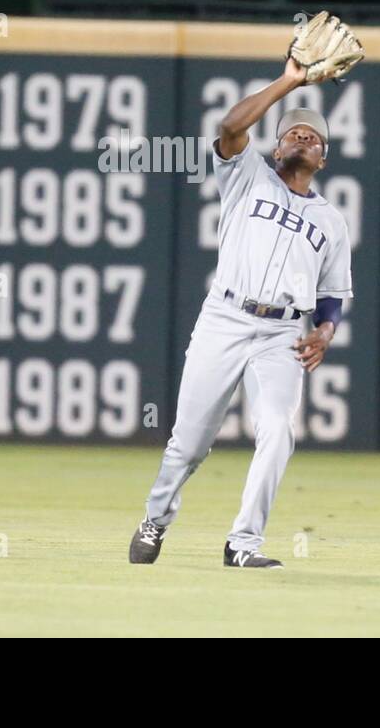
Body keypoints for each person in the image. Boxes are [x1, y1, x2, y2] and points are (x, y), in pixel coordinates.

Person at [130, 55, 353, 568]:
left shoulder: (332, 221)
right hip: (225, 318)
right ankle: (155, 520)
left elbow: (332, 295)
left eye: (313, 138)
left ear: (324, 158)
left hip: (281, 334)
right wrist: (290, 81)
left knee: (278, 431)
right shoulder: (246, 174)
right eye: (293, 134)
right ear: (276, 147)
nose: (302, 139)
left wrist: (325, 330)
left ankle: (243, 544)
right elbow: (230, 127)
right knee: (189, 445)